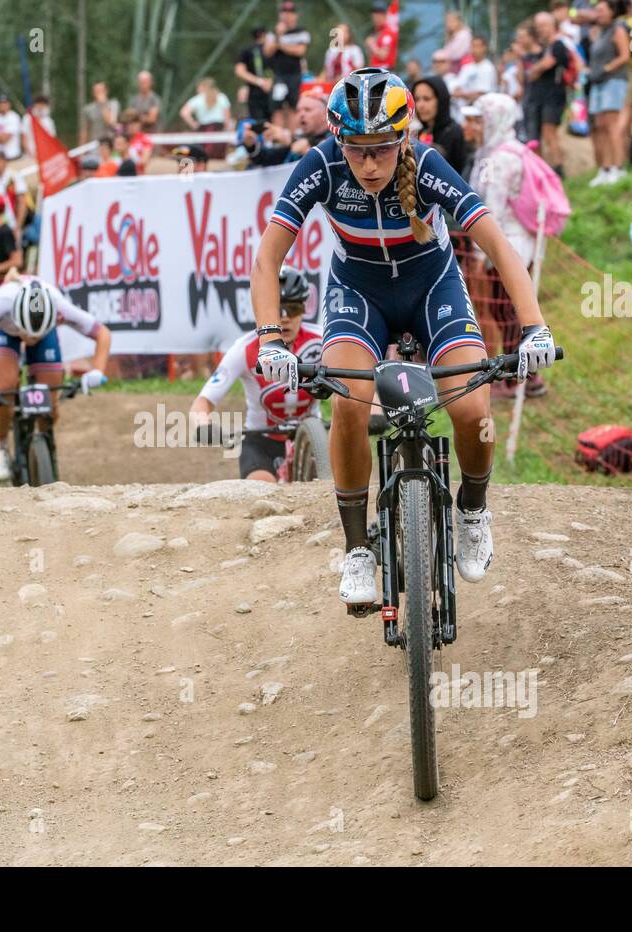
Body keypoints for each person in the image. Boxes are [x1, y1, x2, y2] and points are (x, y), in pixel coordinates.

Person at [253, 68, 557, 605]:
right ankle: (356, 550)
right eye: (357, 149)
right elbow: (268, 256)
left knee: (472, 409)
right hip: (357, 293)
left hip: (431, 287)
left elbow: (499, 244)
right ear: (337, 138)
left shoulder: (432, 166)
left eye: (382, 150)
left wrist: (534, 327)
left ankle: (473, 508)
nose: (369, 165)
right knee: (349, 403)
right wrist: (271, 339)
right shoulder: (320, 165)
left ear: (404, 138)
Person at [0, 276, 112, 482]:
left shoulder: (59, 305)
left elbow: (102, 333)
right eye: (28, 335)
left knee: (50, 401)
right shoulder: (0, 306)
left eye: (35, 337)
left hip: (46, 332)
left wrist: (97, 371)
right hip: (4, 331)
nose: (30, 341)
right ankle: (0, 447)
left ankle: (45, 442)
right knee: (5, 387)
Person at [190, 266, 323, 481]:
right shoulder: (244, 349)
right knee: (261, 489)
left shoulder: (322, 339)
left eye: (294, 308)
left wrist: (371, 412)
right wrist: (202, 425)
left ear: (304, 309)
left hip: (312, 439)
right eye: (278, 308)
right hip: (261, 442)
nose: (285, 317)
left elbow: (356, 375)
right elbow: (202, 403)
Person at [467, 93, 545, 399]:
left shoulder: (502, 159)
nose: (473, 125)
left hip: (508, 247)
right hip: (513, 244)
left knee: (508, 314)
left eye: (479, 119)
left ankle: (522, 380)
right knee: (507, 312)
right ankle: (521, 377)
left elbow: (493, 210)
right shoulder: (504, 151)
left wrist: (479, 252)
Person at [587, 0, 632, 187]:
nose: (597, 14)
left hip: (615, 81)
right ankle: (605, 168)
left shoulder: (627, 27)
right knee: (601, 125)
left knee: (614, 125)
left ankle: (618, 167)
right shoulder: (601, 32)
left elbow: (630, 55)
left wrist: (606, 68)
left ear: (612, 11)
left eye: (600, 10)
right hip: (599, 82)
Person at [524, 12, 573, 176]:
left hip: (553, 97)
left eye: (544, 26)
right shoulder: (545, 48)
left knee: (549, 133)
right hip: (539, 97)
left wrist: (537, 68)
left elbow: (543, 66)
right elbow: (532, 72)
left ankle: (558, 169)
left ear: (553, 26)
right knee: (537, 137)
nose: (541, 30)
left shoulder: (558, 45)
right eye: (538, 27)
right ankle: (542, 171)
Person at [265, 1, 311, 128]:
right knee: (277, 107)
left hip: (294, 75)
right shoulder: (273, 33)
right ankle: (278, 137)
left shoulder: (301, 32)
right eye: (284, 12)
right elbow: (268, 52)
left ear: (296, 15)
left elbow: (300, 51)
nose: (287, 16)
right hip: (279, 75)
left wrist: (280, 45)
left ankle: (292, 136)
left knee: (293, 106)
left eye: (290, 13)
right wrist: (278, 35)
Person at [412, 75, 466, 171]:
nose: (420, 105)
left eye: (427, 99)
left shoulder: (454, 132)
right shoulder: (420, 132)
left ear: (441, 100)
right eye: (417, 99)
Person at [179, 78, 232, 159]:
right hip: (219, 129)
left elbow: (184, 112)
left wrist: (193, 124)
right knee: (217, 157)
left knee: (203, 155)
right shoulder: (222, 97)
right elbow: (227, 117)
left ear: (202, 87)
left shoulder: (198, 99)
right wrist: (226, 129)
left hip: (204, 129)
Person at [236, 26, 275, 125]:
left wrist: (260, 82)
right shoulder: (272, 50)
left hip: (257, 93)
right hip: (267, 92)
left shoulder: (246, 50)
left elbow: (239, 71)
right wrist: (265, 82)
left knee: (259, 124)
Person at [452, 34, 499, 105]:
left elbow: (482, 93)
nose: (474, 50)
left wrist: (461, 94)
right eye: (472, 46)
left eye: (477, 46)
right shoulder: (466, 67)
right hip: (464, 110)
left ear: (484, 48)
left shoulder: (488, 68)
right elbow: (457, 87)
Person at [0, 93, 24, 160]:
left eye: (4, 102)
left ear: (9, 104)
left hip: (13, 156)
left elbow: (4, 139)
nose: (1, 105)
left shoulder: (13, 117)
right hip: (0, 158)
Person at [367, 1, 400, 69]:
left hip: (385, 71)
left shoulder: (388, 33)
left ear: (385, 15)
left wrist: (372, 45)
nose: (377, 16)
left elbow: (383, 55)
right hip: (375, 71)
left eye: (380, 13)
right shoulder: (375, 32)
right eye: (375, 13)